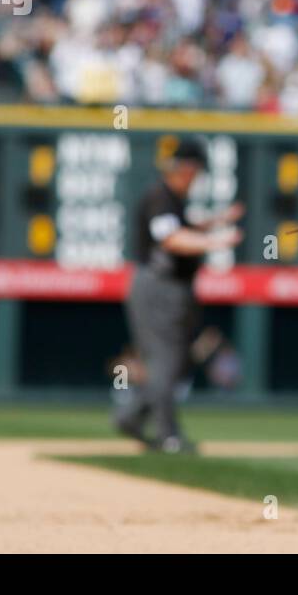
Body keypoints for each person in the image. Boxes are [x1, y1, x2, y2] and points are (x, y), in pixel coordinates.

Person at [112, 138, 242, 453]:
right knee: (167, 362)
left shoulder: (172, 198)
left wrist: (214, 222)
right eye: (195, 169)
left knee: (178, 360)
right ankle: (168, 435)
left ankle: (130, 416)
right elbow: (170, 239)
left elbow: (181, 228)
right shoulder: (161, 196)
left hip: (172, 288)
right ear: (185, 167)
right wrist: (216, 241)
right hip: (159, 287)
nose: (196, 176)